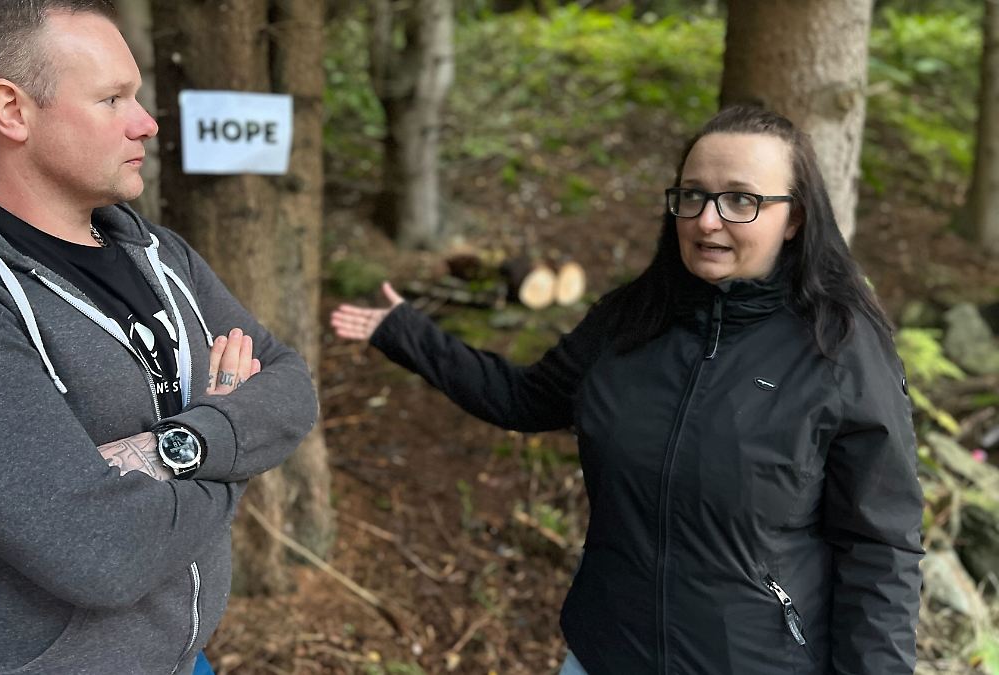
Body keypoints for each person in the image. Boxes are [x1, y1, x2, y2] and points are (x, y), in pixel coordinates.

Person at [331, 105, 923, 674]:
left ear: (793, 218)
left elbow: (881, 549)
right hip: (605, 652)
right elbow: (521, 399)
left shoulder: (840, 348)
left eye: (741, 199)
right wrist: (408, 333)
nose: (707, 219)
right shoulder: (630, 320)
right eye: (692, 195)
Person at [0, 1, 317, 673]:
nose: (146, 122)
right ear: (11, 110)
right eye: (112, 98)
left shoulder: (155, 252)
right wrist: (237, 434)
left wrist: (182, 444)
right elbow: (101, 549)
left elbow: (291, 384)